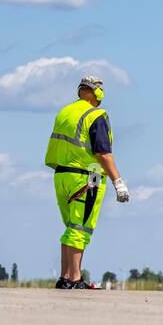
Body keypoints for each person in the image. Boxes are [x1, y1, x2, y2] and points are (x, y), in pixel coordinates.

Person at [43, 75, 130, 289]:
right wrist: (117, 181)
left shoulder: (65, 112)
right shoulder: (96, 114)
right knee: (80, 229)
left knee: (71, 227)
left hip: (61, 175)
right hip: (86, 176)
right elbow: (102, 152)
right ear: (96, 93)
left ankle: (64, 278)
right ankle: (74, 278)